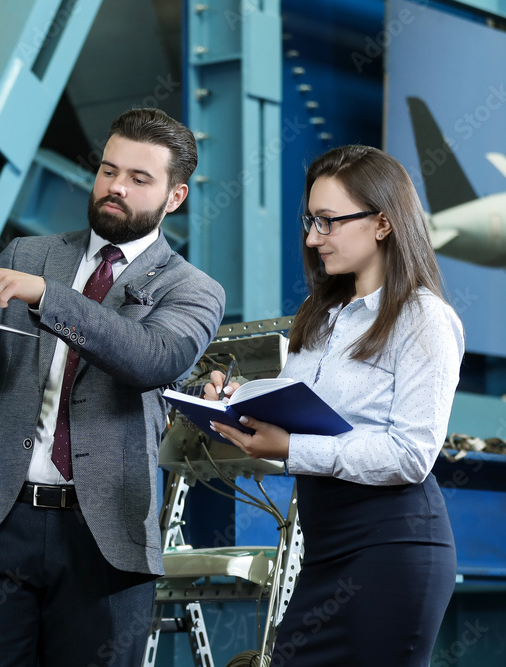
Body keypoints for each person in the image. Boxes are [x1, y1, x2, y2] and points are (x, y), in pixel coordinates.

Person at [0, 108, 225, 667]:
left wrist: (46, 295)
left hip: (105, 537)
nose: (116, 187)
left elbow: (150, 359)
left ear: (174, 197)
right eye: (109, 170)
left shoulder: (192, 289)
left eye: (139, 178)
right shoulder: (27, 255)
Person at [207, 145, 464, 666]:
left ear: (383, 223)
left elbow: (412, 454)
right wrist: (240, 403)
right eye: (310, 221)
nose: (312, 238)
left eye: (327, 222)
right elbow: (305, 412)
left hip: (394, 548)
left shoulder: (424, 319)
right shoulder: (318, 313)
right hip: (324, 552)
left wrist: (291, 448)